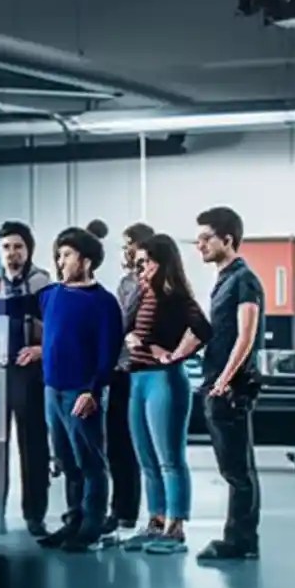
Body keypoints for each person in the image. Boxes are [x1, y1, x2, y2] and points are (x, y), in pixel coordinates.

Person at [0, 220, 123, 552]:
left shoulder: (103, 302)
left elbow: (107, 354)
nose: (60, 261)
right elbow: (8, 307)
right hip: (53, 391)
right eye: (58, 255)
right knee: (67, 461)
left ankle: (92, 527)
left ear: (87, 261)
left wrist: (92, 391)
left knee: (90, 461)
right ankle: (73, 519)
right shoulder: (51, 295)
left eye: (67, 255)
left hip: (81, 394)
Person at [120, 233, 213, 554]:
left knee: (170, 459)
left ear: (163, 263)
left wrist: (175, 355)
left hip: (165, 380)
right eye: (138, 262)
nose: (140, 267)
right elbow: (127, 330)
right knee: (146, 459)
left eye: (146, 261)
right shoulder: (139, 294)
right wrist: (134, 339)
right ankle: (156, 523)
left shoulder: (176, 297)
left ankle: (176, 528)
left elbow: (204, 329)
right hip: (138, 379)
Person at [194, 207, 264, 561]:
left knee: (238, 471)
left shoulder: (243, 279)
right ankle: (240, 539)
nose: (199, 244)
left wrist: (224, 380)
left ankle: (240, 540)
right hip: (218, 384)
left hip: (231, 389)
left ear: (228, 240)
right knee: (232, 468)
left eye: (206, 238)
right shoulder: (223, 280)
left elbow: (245, 335)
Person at [0, 221, 54, 537]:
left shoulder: (41, 282)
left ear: (28, 250)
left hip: (30, 373)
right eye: (6, 247)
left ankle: (35, 514)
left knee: (33, 445)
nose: (12, 253)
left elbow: (59, 327)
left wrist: (40, 349)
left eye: (18, 247)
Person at [105, 223, 155, 534]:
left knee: (141, 447)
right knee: (117, 444)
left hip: (143, 370)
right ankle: (120, 511)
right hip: (119, 369)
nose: (125, 251)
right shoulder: (125, 282)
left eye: (131, 245)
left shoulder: (151, 284)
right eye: (124, 245)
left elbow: (123, 322)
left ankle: (149, 516)